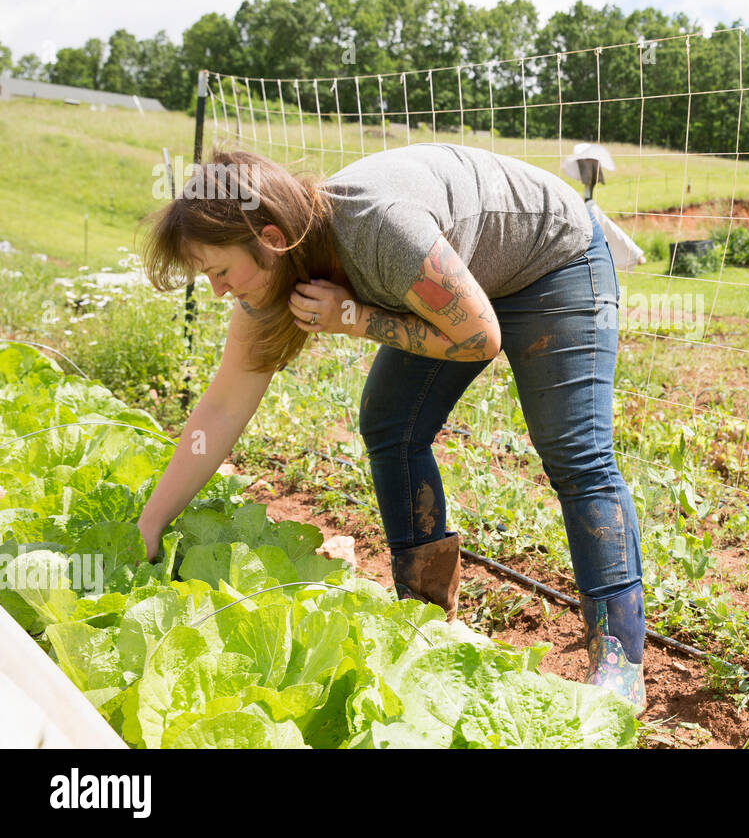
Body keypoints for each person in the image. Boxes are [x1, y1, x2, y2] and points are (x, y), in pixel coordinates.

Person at [136, 142, 647, 713]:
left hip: (552, 259)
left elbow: (480, 336)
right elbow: (222, 407)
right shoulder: (272, 277)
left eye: (220, 272)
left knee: (574, 452)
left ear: (272, 239)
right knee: (390, 424)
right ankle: (426, 621)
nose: (218, 291)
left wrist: (357, 318)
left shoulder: (377, 231)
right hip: (464, 275)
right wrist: (152, 521)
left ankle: (619, 665)